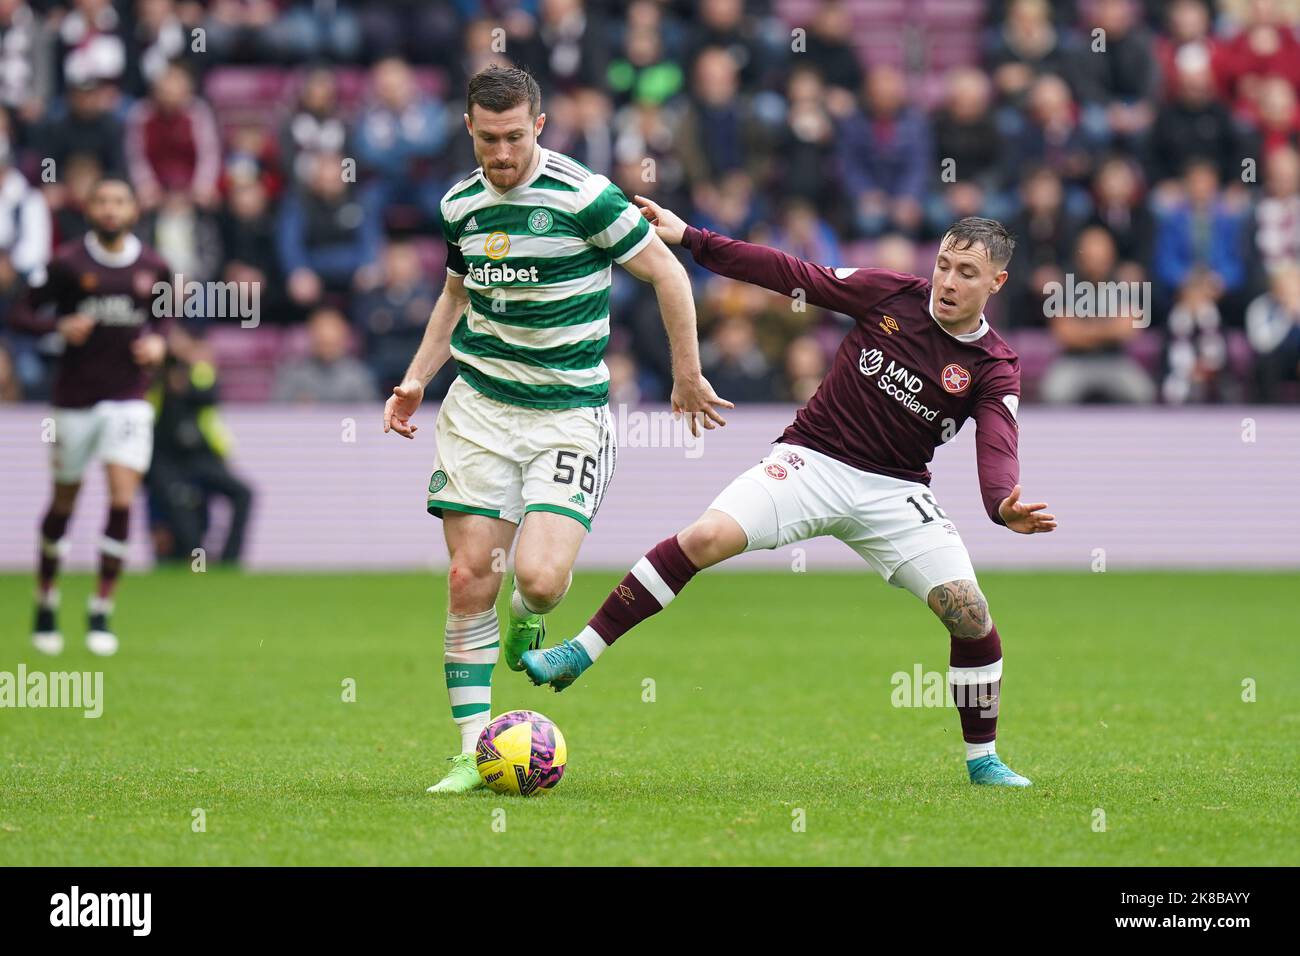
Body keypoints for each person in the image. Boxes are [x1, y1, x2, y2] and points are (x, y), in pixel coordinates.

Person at [523, 205, 1057, 788]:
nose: (949, 283)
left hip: (896, 490)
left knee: (970, 613)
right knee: (705, 537)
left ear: (996, 283)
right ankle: (579, 650)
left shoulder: (993, 364)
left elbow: (998, 446)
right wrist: (693, 239)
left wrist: (1003, 504)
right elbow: (789, 272)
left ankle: (983, 761)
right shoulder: (891, 296)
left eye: (967, 274)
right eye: (945, 265)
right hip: (811, 460)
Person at [381, 65, 731, 795]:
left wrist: (686, 374)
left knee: (539, 583)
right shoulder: (458, 204)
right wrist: (419, 375)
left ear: (538, 127)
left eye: (513, 138)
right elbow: (455, 294)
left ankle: (527, 617)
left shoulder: (585, 197)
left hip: (568, 414)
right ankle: (473, 750)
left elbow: (668, 273)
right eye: (487, 140)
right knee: (466, 575)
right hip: (480, 409)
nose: (500, 155)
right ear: (468, 130)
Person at [10, 178, 170, 656]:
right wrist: (58, 325)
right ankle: (46, 599)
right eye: (101, 201)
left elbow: (163, 316)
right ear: (89, 209)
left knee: (122, 498)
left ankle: (101, 609)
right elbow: (21, 313)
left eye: (118, 201)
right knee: (65, 502)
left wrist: (159, 341)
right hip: (74, 398)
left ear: (133, 210)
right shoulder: (67, 264)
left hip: (128, 396)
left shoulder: (154, 265)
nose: (109, 209)